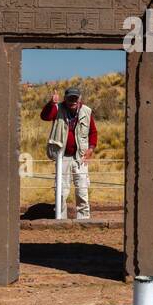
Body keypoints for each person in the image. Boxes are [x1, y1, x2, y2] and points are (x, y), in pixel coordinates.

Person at [41, 86, 97, 219]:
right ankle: (60, 220)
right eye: (70, 98)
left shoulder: (86, 111)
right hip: (62, 157)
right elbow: (45, 116)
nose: (73, 101)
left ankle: (84, 221)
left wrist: (91, 149)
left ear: (79, 99)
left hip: (80, 157)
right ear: (65, 99)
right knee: (61, 191)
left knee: (82, 190)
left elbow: (93, 132)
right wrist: (51, 103)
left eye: (75, 98)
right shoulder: (57, 108)